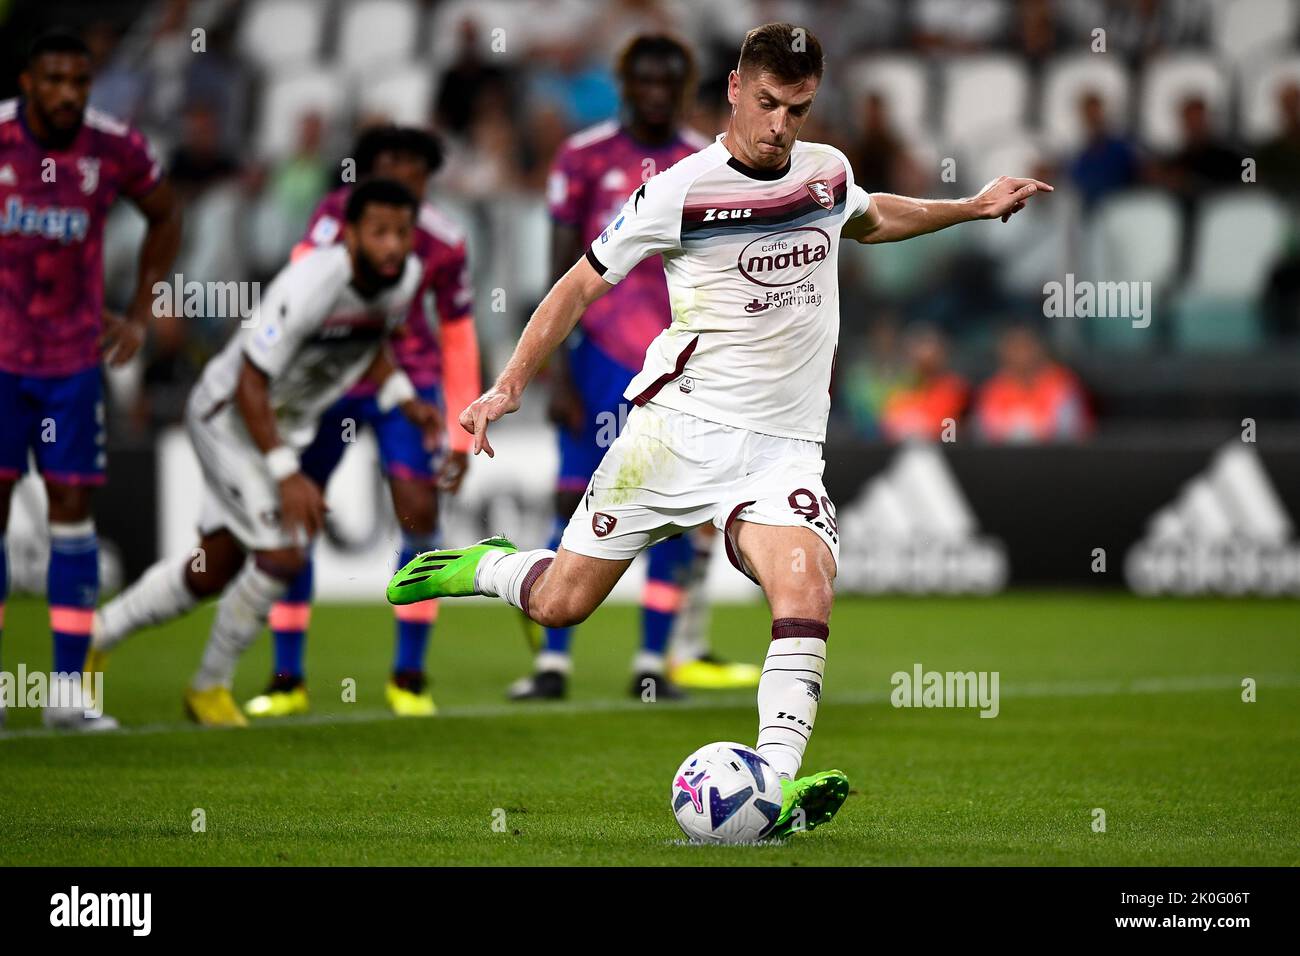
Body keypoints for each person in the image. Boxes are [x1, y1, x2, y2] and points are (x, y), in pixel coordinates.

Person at [388, 22, 1050, 837]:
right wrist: (508, 385)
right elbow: (578, 287)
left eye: (797, 109)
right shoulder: (681, 191)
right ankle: (486, 568)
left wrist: (971, 207)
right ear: (735, 89)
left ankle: (771, 784)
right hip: (675, 435)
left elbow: (873, 220)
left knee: (806, 589)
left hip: (782, 450)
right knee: (561, 604)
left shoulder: (825, 173)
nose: (779, 125)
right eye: (767, 103)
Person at [88, 179, 440, 728]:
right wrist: (286, 476)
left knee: (212, 569)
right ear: (350, 234)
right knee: (284, 554)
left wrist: (405, 400)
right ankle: (209, 686)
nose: (393, 245)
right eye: (379, 232)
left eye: (401, 232)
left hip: (277, 428)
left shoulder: (406, 279)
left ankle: (97, 634)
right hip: (227, 419)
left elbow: (369, 347)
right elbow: (251, 380)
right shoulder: (312, 284)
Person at [517, 33, 755, 702]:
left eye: (667, 83)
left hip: (679, 363)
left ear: (683, 89)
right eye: (642, 81)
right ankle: (551, 664)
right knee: (573, 499)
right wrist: (556, 370)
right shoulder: (583, 156)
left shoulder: (705, 161)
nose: (654, 93)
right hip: (595, 355)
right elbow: (562, 269)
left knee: (675, 509)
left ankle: (652, 662)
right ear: (624, 85)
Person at [243, 126, 481, 720]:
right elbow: (299, 294)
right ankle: (285, 677)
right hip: (330, 381)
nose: (402, 177)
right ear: (366, 171)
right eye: (389, 165)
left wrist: (461, 427)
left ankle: (409, 675)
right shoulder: (332, 219)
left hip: (409, 383)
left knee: (419, 513)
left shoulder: (446, 241)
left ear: (428, 180)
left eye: (415, 169)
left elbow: (457, 334)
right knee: (298, 515)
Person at [0, 32, 182, 731]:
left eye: (80, 80)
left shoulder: (113, 146)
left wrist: (141, 310)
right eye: (55, 80)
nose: (70, 93)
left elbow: (166, 212)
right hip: (4, 360)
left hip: (73, 362)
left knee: (71, 513)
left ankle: (67, 691)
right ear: (28, 82)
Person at [973, 324, 1090, 443]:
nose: (1021, 354)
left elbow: (1072, 431)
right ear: (1003, 352)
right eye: (1014, 347)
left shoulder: (1062, 383)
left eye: (1025, 346)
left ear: (1039, 348)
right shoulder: (993, 389)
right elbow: (985, 433)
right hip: (1003, 458)